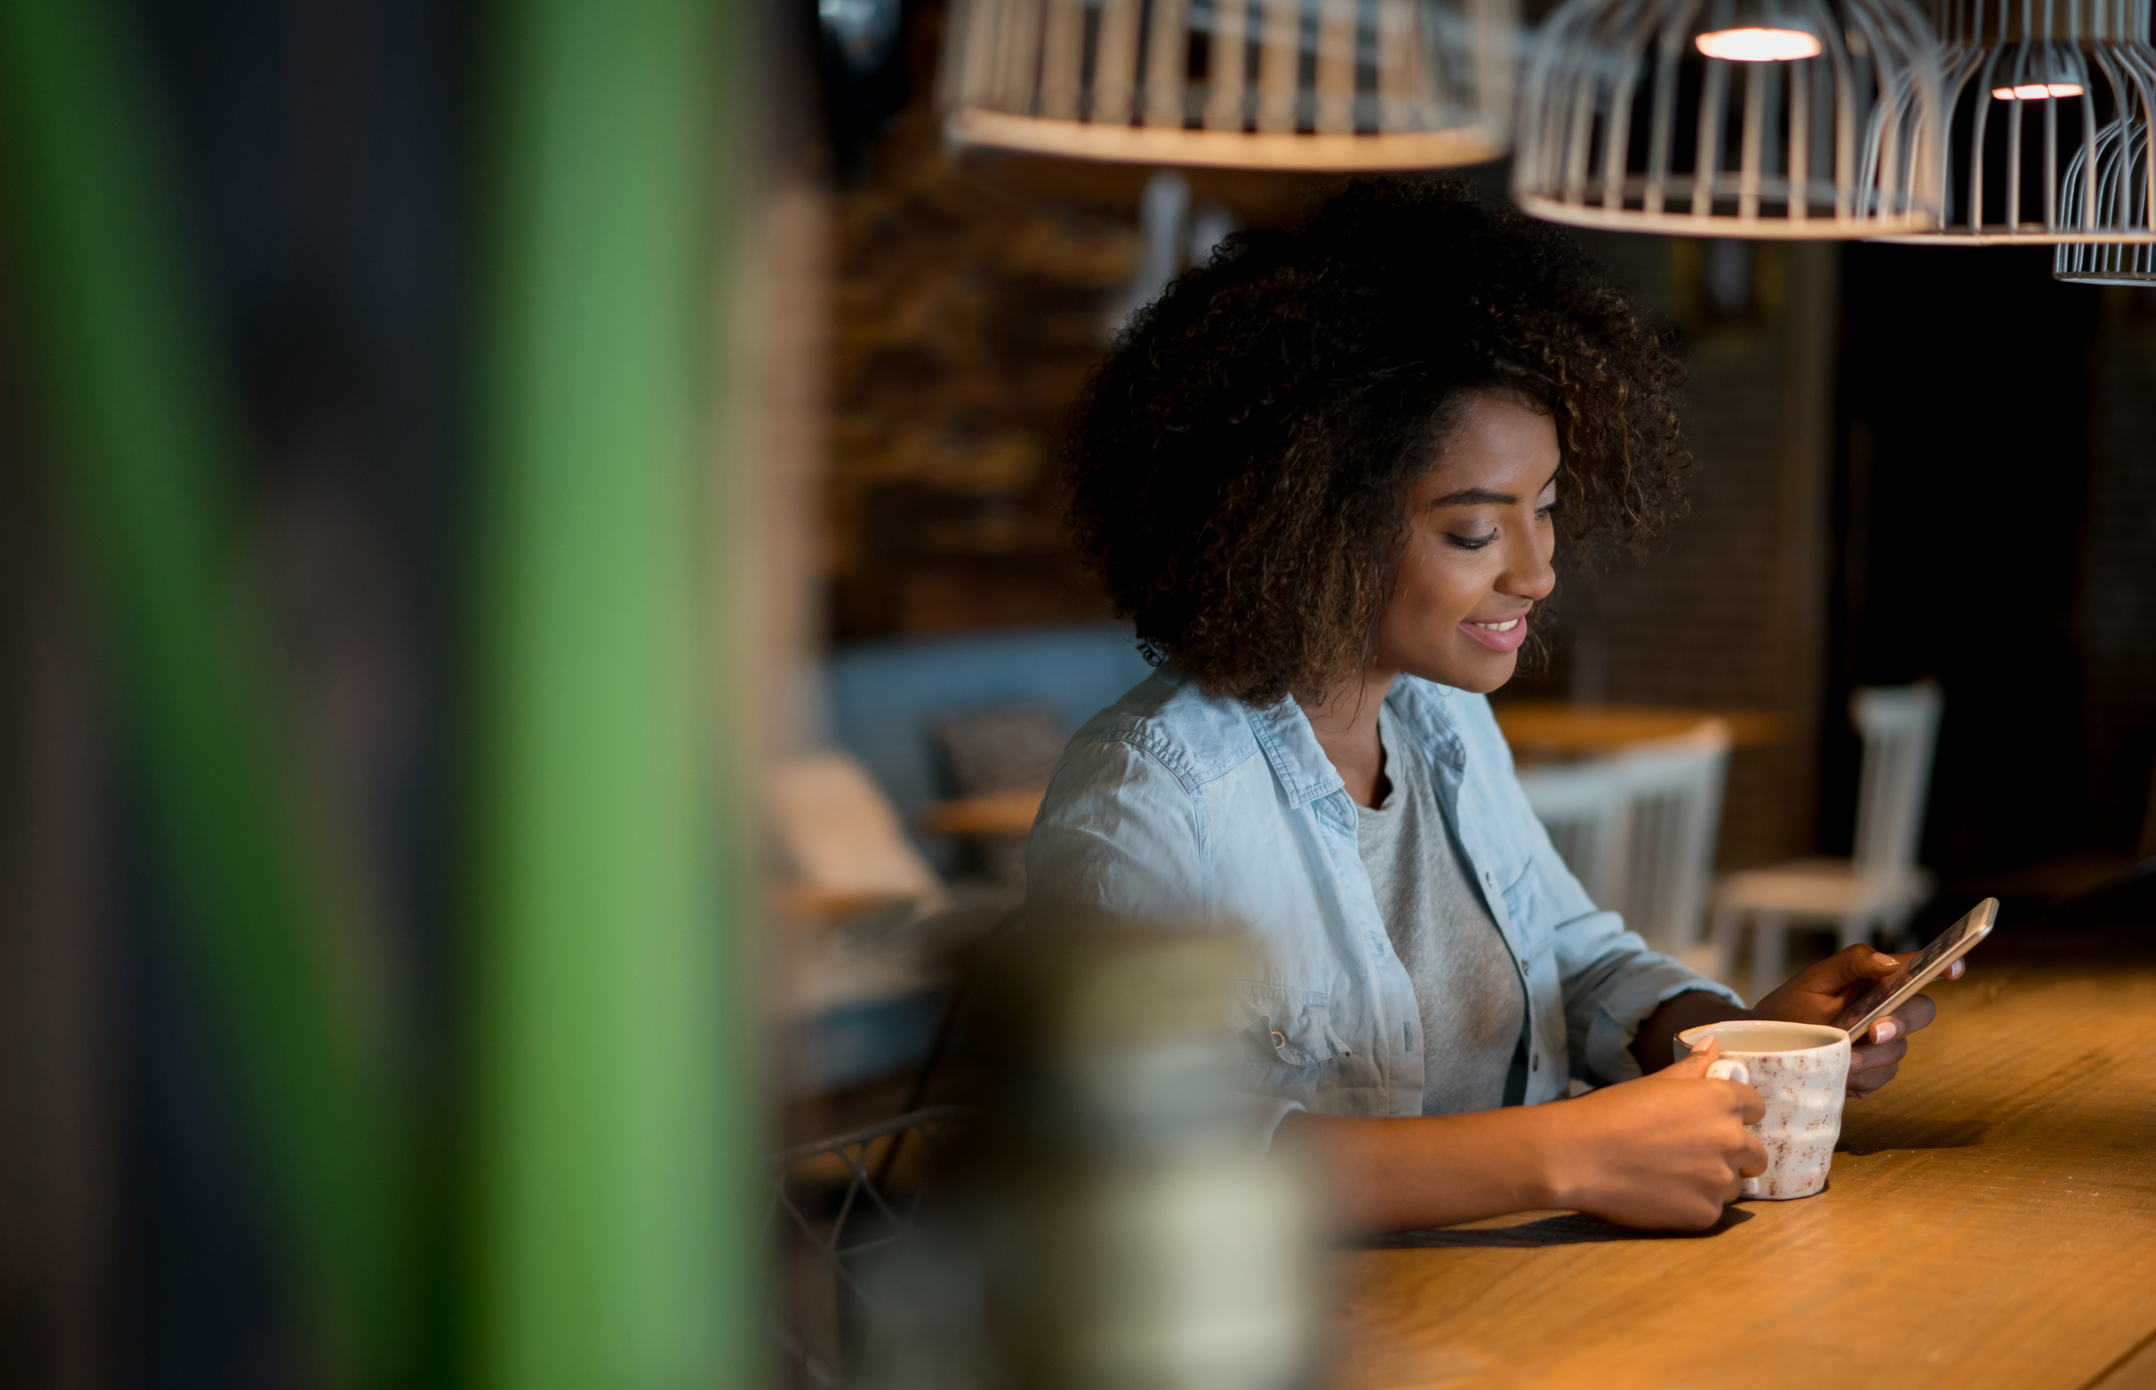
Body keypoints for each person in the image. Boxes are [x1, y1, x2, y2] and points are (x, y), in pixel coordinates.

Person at [1024, 179, 1954, 1233]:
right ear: (1307, 526)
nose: (1537, 572)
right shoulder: (1147, 794)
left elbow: (1580, 959)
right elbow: (1132, 1158)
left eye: (1545, 511)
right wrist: (1562, 1155)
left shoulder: (1441, 720)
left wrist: (1734, 1035)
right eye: (1474, 534)